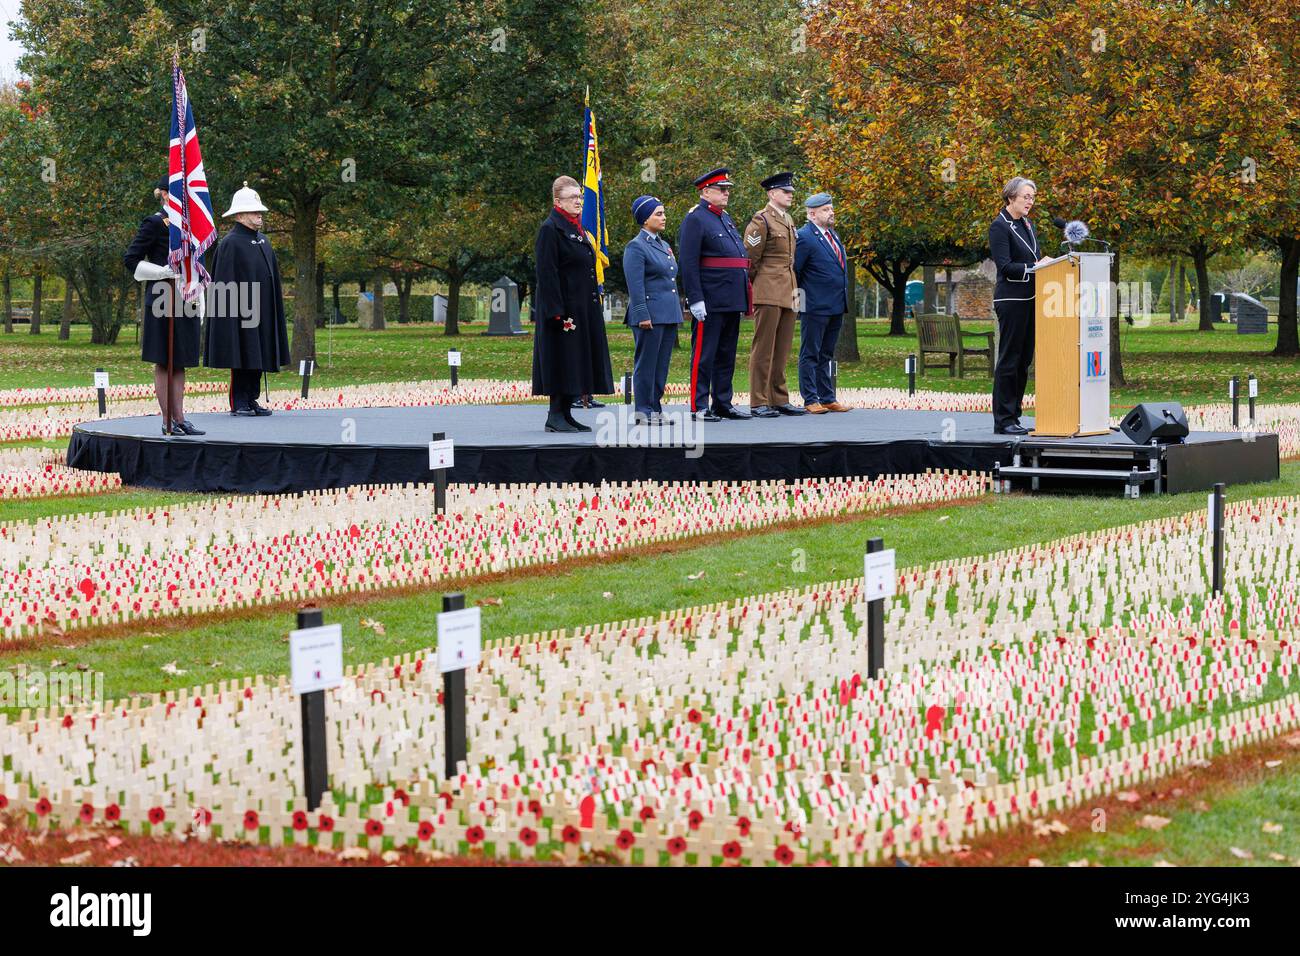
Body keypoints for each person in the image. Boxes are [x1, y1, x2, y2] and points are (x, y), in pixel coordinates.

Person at [123, 175, 205, 435]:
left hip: (186, 296)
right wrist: (161, 272)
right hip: (162, 296)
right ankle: (167, 419)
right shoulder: (155, 223)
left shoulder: (192, 226)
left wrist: (200, 295)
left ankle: (180, 418)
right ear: (166, 194)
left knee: (180, 361)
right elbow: (131, 259)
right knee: (164, 360)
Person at [531, 175, 614, 432]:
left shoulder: (577, 229)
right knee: (561, 359)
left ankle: (566, 414)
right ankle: (555, 414)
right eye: (572, 197)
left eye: (580, 196)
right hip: (562, 311)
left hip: (581, 308)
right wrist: (556, 312)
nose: (578, 201)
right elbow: (547, 273)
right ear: (558, 201)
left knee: (575, 360)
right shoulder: (550, 229)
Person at [203, 182, 290, 416]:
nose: (259, 215)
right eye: (254, 212)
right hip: (241, 311)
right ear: (240, 215)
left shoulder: (263, 241)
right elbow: (225, 283)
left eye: (259, 211)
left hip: (263, 309)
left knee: (259, 352)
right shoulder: (231, 243)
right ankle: (239, 401)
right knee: (241, 353)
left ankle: (252, 398)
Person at [678, 167, 751, 421]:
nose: (726, 193)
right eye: (722, 189)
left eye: (728, 189)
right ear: (706, 192)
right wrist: (695, 298)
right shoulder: (696, 218)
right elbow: (688, 262)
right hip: (710, 299)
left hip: (731, 298)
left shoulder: (724, 217)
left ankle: (723, 402)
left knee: (726, 354)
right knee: (704, 354)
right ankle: (699, 406)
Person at [989, 176, 1051, 435]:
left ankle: (1014, 415)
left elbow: (1032, 257)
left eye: (1032, 197)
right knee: (1009, 359)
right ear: (1010, 197)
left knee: (1023, 360)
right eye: (1026, 196)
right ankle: (1002, 419)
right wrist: (1035, 268)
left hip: (1031, 299)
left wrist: (1044, 264)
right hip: (1012, 300)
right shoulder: (999, 226)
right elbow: (1005, 266)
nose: (1030, 201)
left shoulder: (1028, 224)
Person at [744, 172, 804, 418]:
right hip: (768, 290)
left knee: (782, 348)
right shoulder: (761, 220)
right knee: (763, 348)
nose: (790, 195)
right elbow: (750, 259)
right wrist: (760, 284)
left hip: (788, 291)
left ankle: (778, 398)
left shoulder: (788, 219)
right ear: (771, 193)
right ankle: (759, 401)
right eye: (785, 191)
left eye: (791, 191)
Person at [622, 195, 681, 424]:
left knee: (661, 364)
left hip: (667, 313)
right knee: (646, 364)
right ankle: (642, 410)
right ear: (645, 219)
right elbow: (635, 285)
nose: (664, 217)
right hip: (649, 315)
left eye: (664, 213)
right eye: (658, 213)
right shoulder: (636, 246)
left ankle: (655, 407)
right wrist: (641, 314)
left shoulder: (663, 245)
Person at [794, 192, 851, 414]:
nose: (832, 212)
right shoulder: (804, 237)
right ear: (812, 214)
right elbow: (796, 271)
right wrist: (800, 303)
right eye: (826, 210)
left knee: (826, 354)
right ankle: (810, 399)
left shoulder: (832, 235)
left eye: (831, 208)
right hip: (815, 305)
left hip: (836, 304)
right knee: (810, 353)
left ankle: (827, 397)